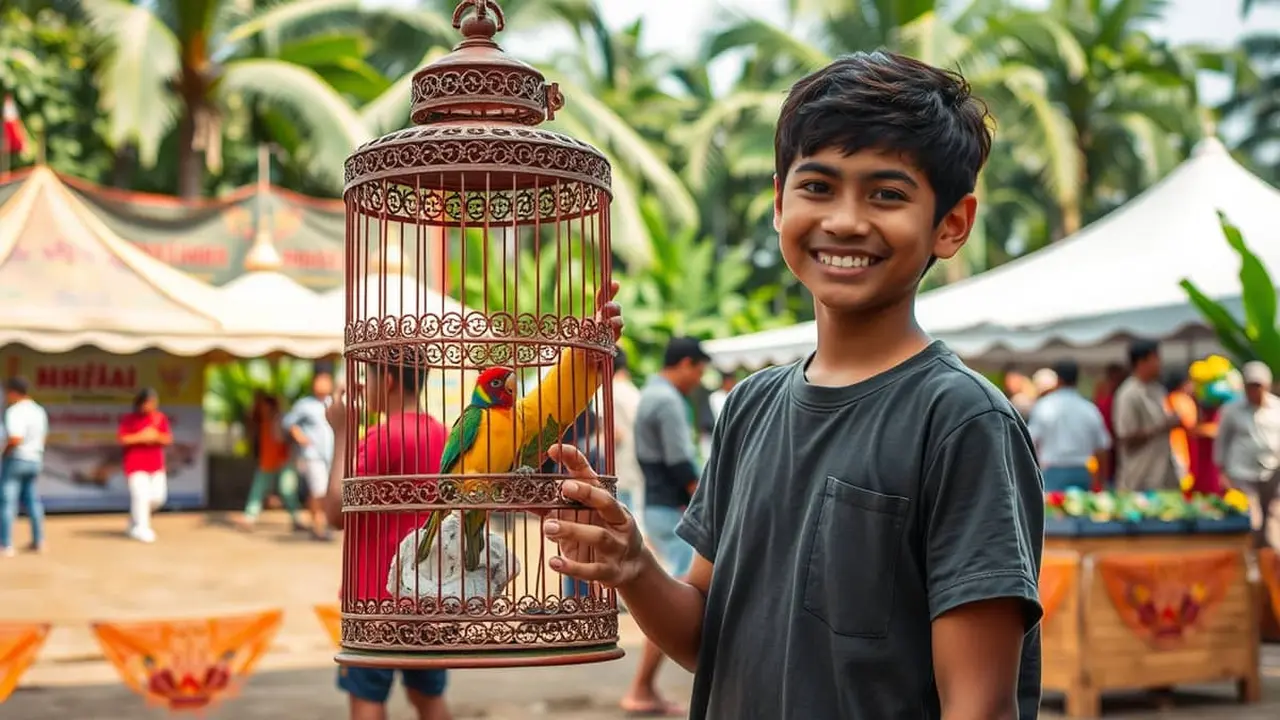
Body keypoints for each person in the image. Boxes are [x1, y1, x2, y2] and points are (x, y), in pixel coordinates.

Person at [543, 51, 1044, 719]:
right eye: (818, 187)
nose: (844, 219)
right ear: (779, 202)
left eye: (887, 194)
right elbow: (707, 638)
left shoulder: (959, 419)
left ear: (951, 224)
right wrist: (633, 564)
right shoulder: (752, 406)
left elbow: (979, 707)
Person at [324, 363, 452, 720]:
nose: (364, 386)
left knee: (367, 699)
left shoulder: (382, 436)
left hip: (374, 603)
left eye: (370, 377)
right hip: (429, 598)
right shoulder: (442, 435)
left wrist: (342, 434)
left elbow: (335, 512)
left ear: (390, 380)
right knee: (428, 698)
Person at [622, 335, 710, 716]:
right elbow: (679, 463)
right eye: (698, 371)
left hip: (661, 505)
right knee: (679, 598)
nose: (698, 380)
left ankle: (644, 687)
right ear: (686, 364)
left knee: (674, 593)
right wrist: (708, 505)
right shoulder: (667, 400)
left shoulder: (653, 394)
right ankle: (641, 688)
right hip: (672, 508)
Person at [1214, 361, 1280, 549]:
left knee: (1274, 517)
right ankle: (1251, 563)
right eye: (1250, 386)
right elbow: (1222, 442)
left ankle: (1272, 562)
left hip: (1272, 471)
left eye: (1258, 386)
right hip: (1242, 472)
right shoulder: (1231, 410)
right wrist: (1222, 472)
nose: (1254, 391)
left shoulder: (1277, 408)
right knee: (1252, 519)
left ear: (1267, 385)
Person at [1027, 360, 1110, 491]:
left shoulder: (1044, 406)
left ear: (1057, 379)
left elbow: (1031, 442)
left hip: (1052, 471)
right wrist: (1101, 481)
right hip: (1083, 472)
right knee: (1082, 509)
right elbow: (1102, 447)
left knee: (1052, 509)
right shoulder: (1089, 409)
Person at [1113, 340, 1180, 492]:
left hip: (1162, 477)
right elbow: (1126, 437)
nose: (1159, 363)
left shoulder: (1157, 390)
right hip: (1139, 478)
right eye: (1156, 358)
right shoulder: (1128, 394)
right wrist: (1161, 428)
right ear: (1142, 362)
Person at [235, 394, 304, 532]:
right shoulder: (259, 421)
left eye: (265, 407)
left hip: (283, 460)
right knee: (257, 491)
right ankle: (249, 518)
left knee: (287, 490)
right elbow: (249, 418)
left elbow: (289, 434)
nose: (263, 410)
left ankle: (296, 519)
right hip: (266, 462)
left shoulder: (282, 419)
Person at [284, 368, 336, 541]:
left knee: (327, 490)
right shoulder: (304, 405)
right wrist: (301, 437)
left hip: (331, 454)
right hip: (313, 454)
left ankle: (322, 522)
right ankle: (318, 525)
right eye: (319, 380)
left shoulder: (334, 402)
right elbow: (288, 422)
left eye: (326, 380)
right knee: (318, 489)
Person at [1, 377, 49, 556]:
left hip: (17, 459)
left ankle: (5, 544)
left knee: (7, 502)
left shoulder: (15, 411)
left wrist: (4, 454)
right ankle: (39, 541)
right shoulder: (38, 410)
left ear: (13, 392)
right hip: (34, 459)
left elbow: (15, 438)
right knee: (32, 501)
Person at [118, 388, 172, 543]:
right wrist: (141, 437)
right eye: (149, 402)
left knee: (157, 498)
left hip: (155, 465)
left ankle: (134, 520)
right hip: (135, 465)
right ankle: (141, 529)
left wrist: (155, 436)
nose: (152, 405)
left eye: (154, 402)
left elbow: (167, 438)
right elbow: (123, 439)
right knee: (141, 496)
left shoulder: (159, 418)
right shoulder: (129, 419)